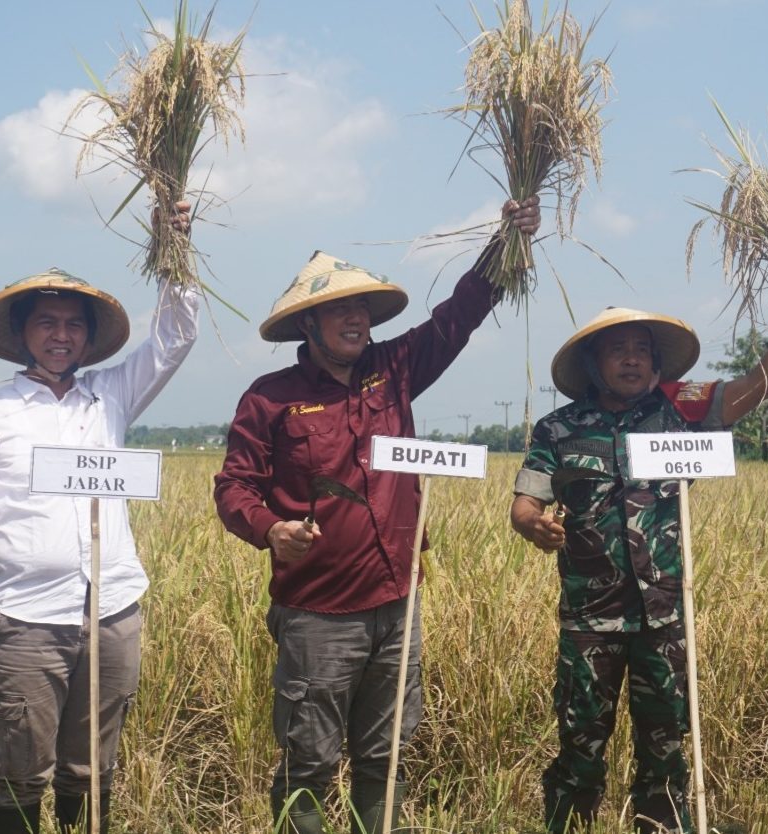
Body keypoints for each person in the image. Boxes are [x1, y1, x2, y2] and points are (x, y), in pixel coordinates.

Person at [213, 198, 540, 834]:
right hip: (316, 615)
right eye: (340, 308)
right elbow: (233, 487)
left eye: (362, 307)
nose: (356, 318)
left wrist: (509, 239)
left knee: (385, 757)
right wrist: (270, 531)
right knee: (308, 761)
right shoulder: (271, 399)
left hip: (397, 606)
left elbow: (461, 314)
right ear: (309, 323)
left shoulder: (395, 370)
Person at [509, 282, 768, 834]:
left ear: (656, 362)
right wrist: (535, 526)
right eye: (617, 349)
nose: (631, 358)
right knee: (580, 741)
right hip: (590, 618)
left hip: (664, 616)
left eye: (641, 349)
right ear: (593, 362)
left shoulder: (682, 409)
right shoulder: (558, 429)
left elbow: (755, 387)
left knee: (664, 744)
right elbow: (523, 504)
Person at [0, 206, 199, 834]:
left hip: (112, 611)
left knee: (92, 769)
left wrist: (176, 247)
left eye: (73, 325)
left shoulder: (111, 395)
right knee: (22, 769)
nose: (61, 335)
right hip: (27, 616)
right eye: (47, 323)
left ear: (87, 337)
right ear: (23, 332)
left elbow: (174, 338)